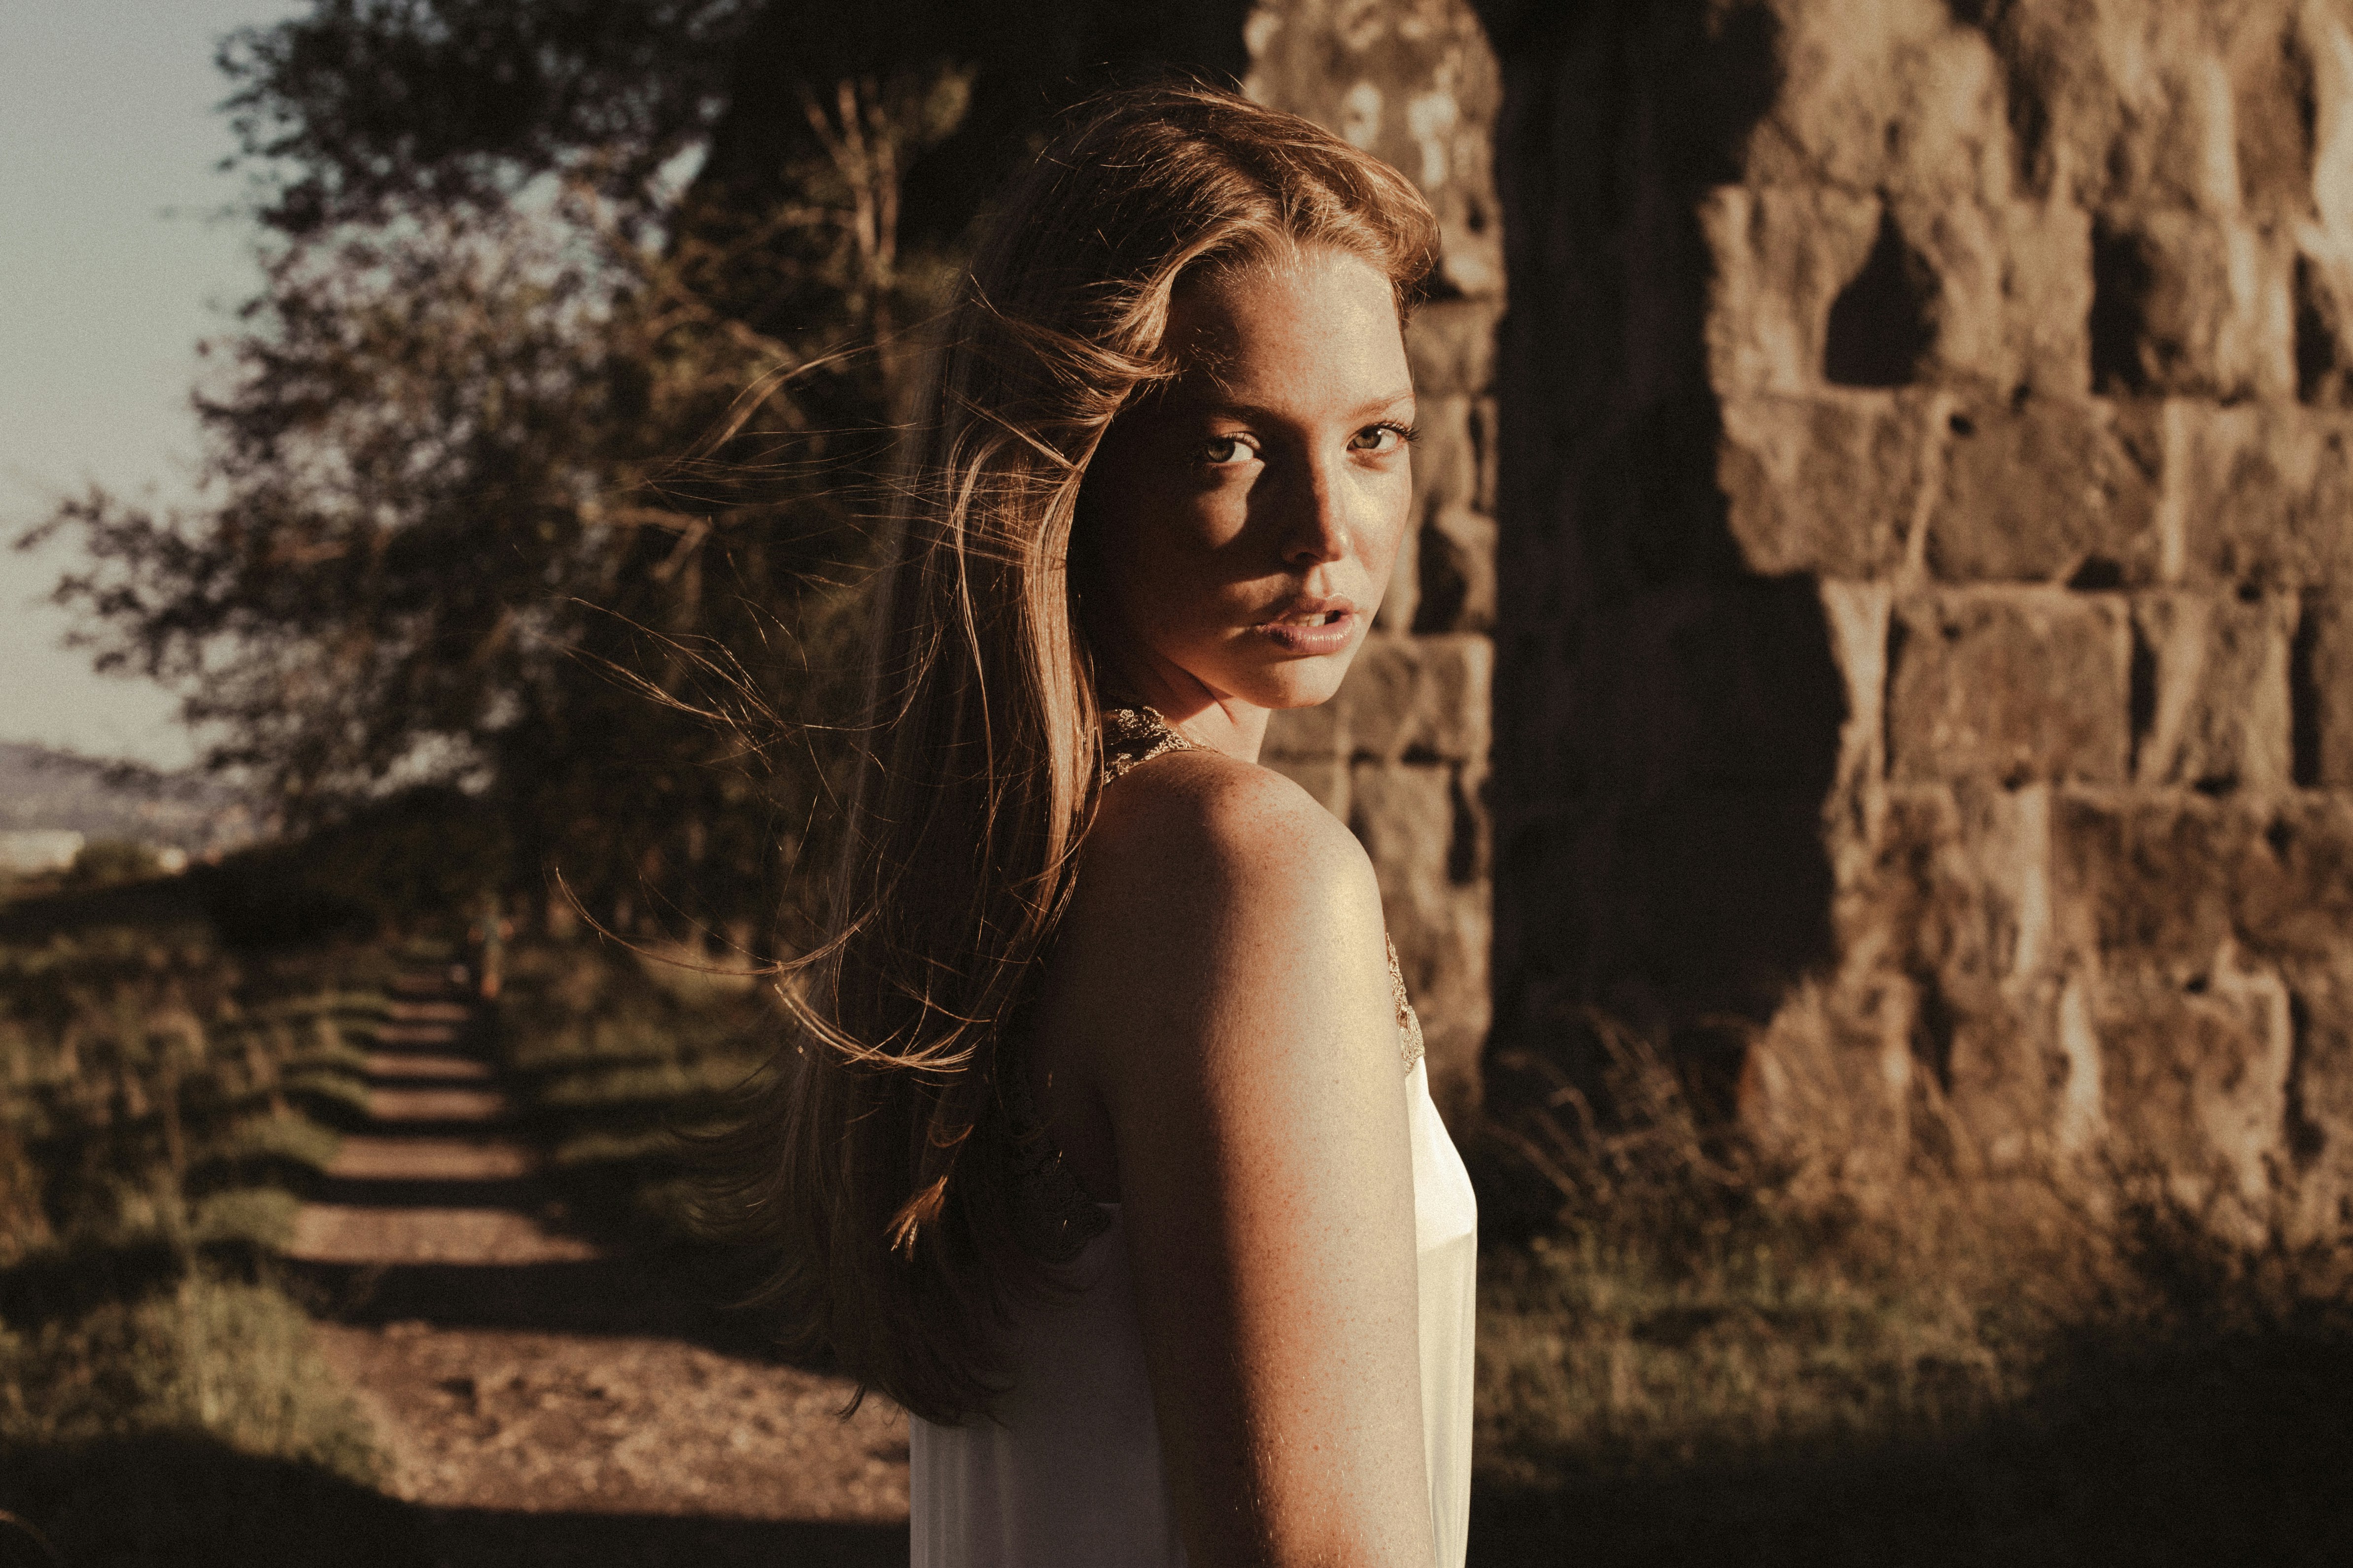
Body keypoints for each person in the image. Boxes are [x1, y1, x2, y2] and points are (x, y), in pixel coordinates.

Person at [708, 83, 1476, 1567]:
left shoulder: (1028, 861)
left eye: (1375, 438)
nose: (1329, 528)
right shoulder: (1245, 873)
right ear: (1069, 465)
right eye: (1234, 447)